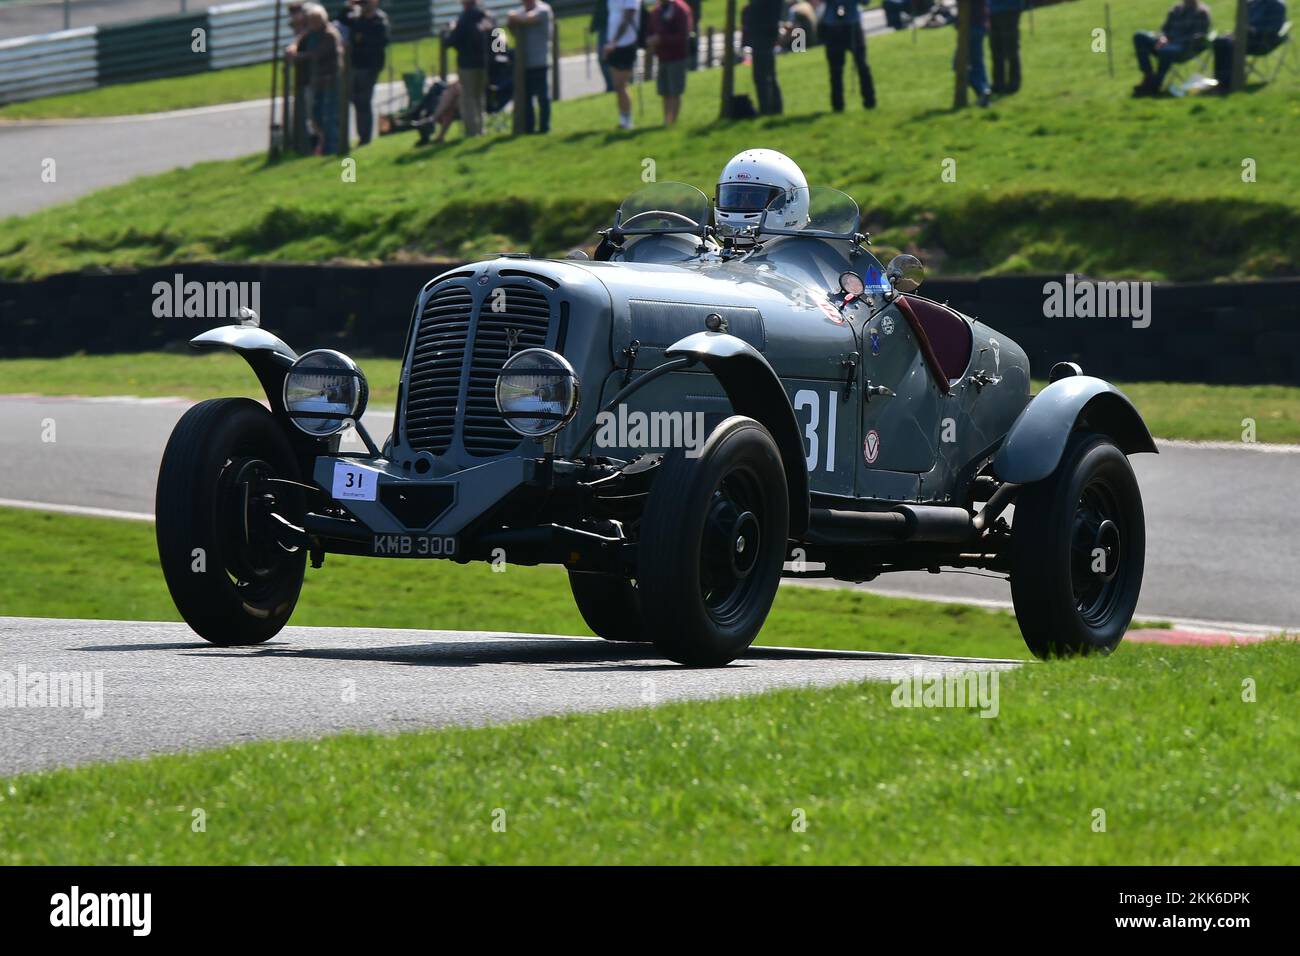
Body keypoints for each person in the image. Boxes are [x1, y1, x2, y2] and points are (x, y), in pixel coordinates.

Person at [714, 148, 808, 245]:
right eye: (733, 198)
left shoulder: (806, 258)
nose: (742, 205)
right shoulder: (710, 256)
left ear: (793, 200)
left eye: (755, 198)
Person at [1132, 0, 1212, 97]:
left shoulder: (1201, 13)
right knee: (1139, 36)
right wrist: (1163, 38)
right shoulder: (1175, 11)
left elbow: (1199, 37)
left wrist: (1174, 41)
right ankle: (1148, 76)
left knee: (1167, 50)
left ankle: (1156, 84)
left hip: (1184, 49)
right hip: (1166, 44)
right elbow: (1164, 30)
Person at [294, 3, 345, 154]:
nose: (312, 24)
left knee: (329, 116)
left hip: (331, 80)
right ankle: (323, 146)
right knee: (316, 117)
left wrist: (299, 56)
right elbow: (300, 40)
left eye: (315, 21)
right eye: (310, 21)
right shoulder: (311, 34)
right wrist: (294, 47)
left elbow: (317, 53)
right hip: (317, 82)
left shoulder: (330, 34)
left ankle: (332, 149)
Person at [1212, 0, 1287, 92]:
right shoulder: (1253, 3)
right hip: (1245, 37)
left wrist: (1255, 30)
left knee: (1230, 44)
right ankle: (1220, 81)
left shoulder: (1277, 5)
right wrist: (1236, 33)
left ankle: (1230, 82)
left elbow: (1275, 27)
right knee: (1220, 41)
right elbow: (1244, 23)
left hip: (1262, 41)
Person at [444, 0, 494, 137]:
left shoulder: (464, 18)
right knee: (479, 97)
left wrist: (450, 30)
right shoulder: (487, 16)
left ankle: (472, 132)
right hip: (484, 63)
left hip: (467, 64)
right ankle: (481, 128)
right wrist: (495, 56)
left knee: (467, 98)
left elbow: (451, 41)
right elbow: (498, 37)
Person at [343, 0, 389, 145]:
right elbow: (341, 20)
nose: (362, 5)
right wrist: (349, 6)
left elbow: (381, 41)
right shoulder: (357, 18)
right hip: (356, 65)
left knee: (364, 100)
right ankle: (361, 134)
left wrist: (362, 39)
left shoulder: (379, 20)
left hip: (370, 66)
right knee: (355, 100)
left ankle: (365, 137)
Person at [821, 1, 875, 112]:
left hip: (850, 24)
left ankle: (870, 101)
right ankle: (838, 105)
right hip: (834, 25)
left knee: (862, 66)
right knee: (836, 71)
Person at [508, 0, 553, 133]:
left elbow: (528, 19)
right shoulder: (521, 12)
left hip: (540, 61)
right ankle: (529, 128)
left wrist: (512, 16)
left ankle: (544, 127)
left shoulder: (543, 10)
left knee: (542, 97)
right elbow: (513, 28)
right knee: (526, 98)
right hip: (524, 63)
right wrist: (511, 21)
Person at [647, 0, 693, 124]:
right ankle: (666, 120)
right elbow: (651, 30)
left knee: (674, 92)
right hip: (662, 57)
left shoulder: (680, 10)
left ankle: (672, 122)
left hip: (677, 57)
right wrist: (650, 39)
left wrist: (661, 39)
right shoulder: (656, 11)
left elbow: (682, 36)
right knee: (665, 92)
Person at [604, 0, 641, 129]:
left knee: (621, 85)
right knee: (617, 86)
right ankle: (622, 118)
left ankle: (627, 119)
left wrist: (614, 42)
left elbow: (627, 19)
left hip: (626, 44)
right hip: (613, 45)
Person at [749, 0, 783, 114]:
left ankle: (766, 109)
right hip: (767, 30)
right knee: (769, 74)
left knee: (761, 75)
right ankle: (775, 107)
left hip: (762, 31)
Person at [955, 0, 991, 107]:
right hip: (979, 24)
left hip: (971, 25)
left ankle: (982, 90)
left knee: (958, 63)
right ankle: (985, 89)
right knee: (978, 62)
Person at [988, 0, 1022, 94]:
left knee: (1011, 49)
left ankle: (1013, 84)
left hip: (1009, 10)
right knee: (996, 50)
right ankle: (998, 84)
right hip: (993, 10)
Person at [590, 0, 615, 91]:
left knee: (608, 57)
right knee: (603, 58)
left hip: (612, 27)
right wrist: (593, 25)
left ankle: (614, 84)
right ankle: (610, 85)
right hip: (603, 28)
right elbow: (599, 8)